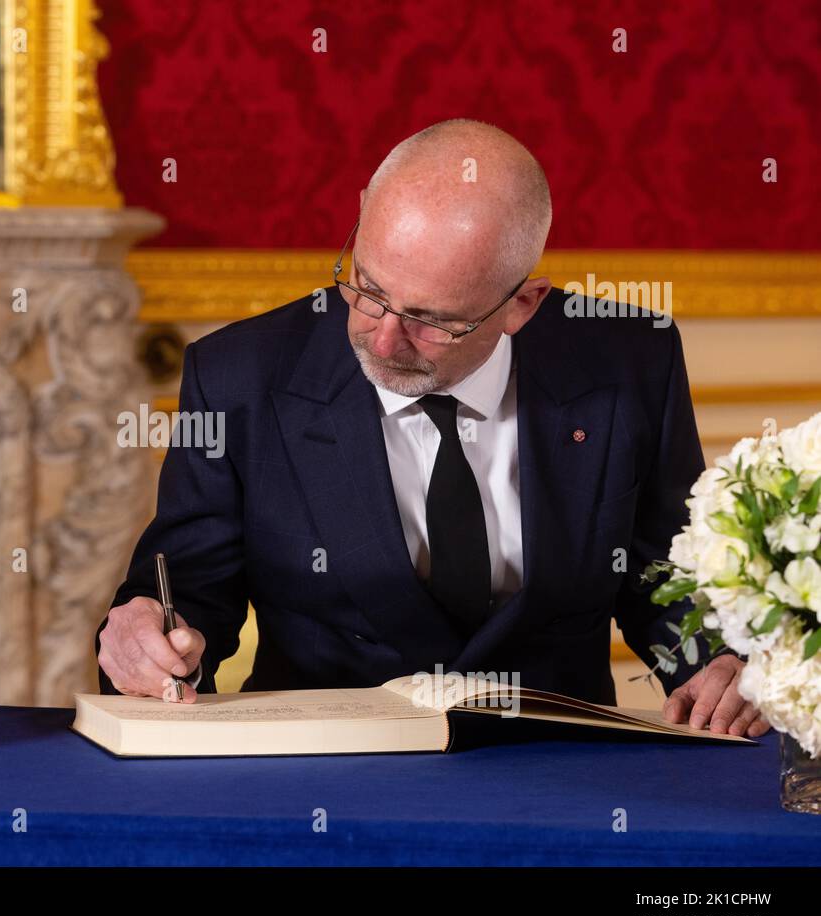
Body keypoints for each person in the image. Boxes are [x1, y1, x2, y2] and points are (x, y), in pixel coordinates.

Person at [97, 118, 770, 739]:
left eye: (433, 320)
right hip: (319, 769)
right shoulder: (239, 376)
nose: (383, 339)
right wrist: (149, 639)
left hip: (559, 767)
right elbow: (188, 595)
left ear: (522, 304)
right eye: (366, 287)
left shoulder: (629, 360)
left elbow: (662, 578)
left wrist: (717, 663)